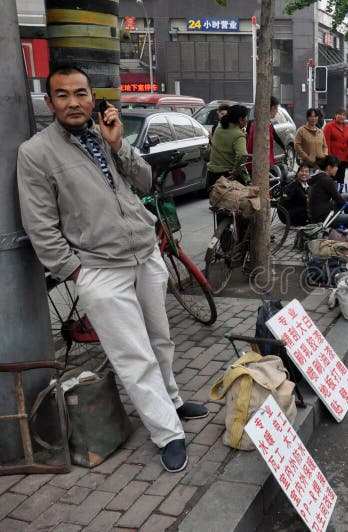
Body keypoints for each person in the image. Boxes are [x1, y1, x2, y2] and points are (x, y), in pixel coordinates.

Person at [17, 64, 207, 473]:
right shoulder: (36, 153)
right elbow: (40, 225)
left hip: (144, 254)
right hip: (99, 269)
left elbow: (142, 182)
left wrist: (119, 144)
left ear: (92, 98)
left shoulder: (104, 138)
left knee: (160, 340)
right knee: (133, 355)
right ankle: (167, 433)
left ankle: (172, 400)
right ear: (50, 102)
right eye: (63, 95)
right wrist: (74, 271)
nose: (73, 102)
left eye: (81, 93)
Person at [308, 155, 348, 233]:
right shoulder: (326, 180)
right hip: (325, 219)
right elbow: (338, 198)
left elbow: (338, 198)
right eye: (336, 166)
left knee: (346, 196)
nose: (337, 169)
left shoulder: (318, 175)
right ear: (329, 167)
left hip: (321, 212)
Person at [207, 104, 250, 185]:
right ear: (240, 119)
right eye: (246, 117)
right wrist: (236, 171)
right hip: (229, 177)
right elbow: (242, 155)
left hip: (212, 176)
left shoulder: (219, 127)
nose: (247, 119)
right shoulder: (238, 134)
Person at [246, 96, 285, 169]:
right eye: (276, 109)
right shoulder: (264, 125)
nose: (277, 112)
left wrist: (283, 147)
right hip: (261, 164)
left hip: (255, 162)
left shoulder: (257, 123)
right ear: (273, 108)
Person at [323, 107, 348, 187]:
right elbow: (326, 143)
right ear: (335, 115)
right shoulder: (329, 126)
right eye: (340, 114)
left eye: (344, 115)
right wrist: (329, 157)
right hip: (333, 159)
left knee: (341, 179)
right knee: (332, 180)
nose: (342, 117)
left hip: (344, 159)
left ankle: (339, 196)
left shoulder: (347, 128)